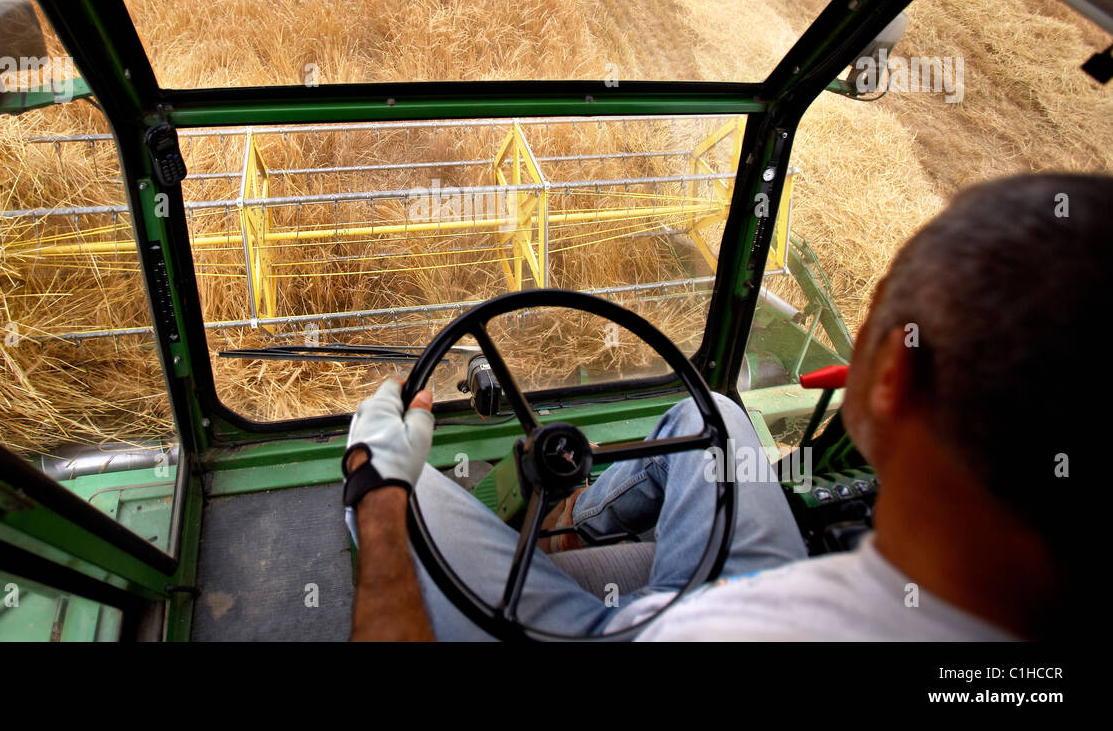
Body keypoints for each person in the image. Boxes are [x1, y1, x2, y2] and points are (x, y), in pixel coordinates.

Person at [342, 173, 1093, 640]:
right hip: (756, 587)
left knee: (400, 493)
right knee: (720, 420)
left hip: (652, 626)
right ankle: (573, 528)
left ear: (892, 372)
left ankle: (524, 530)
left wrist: (380, 496)